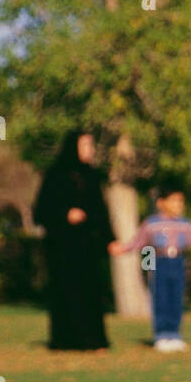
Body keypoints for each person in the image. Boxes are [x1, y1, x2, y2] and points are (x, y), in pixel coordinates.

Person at [108, 185, 191, 351]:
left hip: (178, 261)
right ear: (161, 203)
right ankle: (161, 335)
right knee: (160, 297)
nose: (178, 205)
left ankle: (174, 334)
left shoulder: (186, 224)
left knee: (176, 297)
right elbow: (141, 243)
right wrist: (123, 249)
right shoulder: (151, 223)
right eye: (174, 201)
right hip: (158, 261)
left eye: (181, 201)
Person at [33, 130, 115, 351]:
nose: (91, 150)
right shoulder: (55, 175)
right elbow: (40, 212)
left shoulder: (92, 175)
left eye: (91, 145)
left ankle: (93, 340)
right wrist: (64, 215)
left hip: (87, 246)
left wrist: (109, 239)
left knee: (90, 293)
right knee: (65, 292)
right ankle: (65, 340)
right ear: (73, 147)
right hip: (61, 248)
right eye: (86, 145)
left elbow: (100, 211)